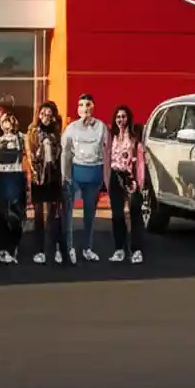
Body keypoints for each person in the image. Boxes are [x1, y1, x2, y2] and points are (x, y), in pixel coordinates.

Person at [61, 93, 109, 263]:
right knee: (68, 212)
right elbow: (65, 152)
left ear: (93, 107)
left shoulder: (101, 127)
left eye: (88, 104)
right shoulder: (71, 128)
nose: (85, 108)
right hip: (76, 172)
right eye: (81, 105)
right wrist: (65, 175)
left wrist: (106, 179)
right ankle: (69, 248)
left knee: (90, 214)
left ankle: (87, 248)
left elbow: (107, 153)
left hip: (94, 172)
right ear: (78, 108)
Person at [26, 101, 64, 265]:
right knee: (39, 216)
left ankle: (55, 250)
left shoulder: (57, 132)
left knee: (53, 216)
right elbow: (29, 154)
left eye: (49, 114)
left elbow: (61, 153)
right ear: (38, 115)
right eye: (43, 114)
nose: (46, 117)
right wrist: (33, 172)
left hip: (54, 177)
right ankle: (39, 251)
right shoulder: (32, 132)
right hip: (39, 177)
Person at [107, 105, 146, 264]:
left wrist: (139, 181)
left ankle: (136, 250)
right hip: (115, 176)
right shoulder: (112, 136)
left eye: (123, 117)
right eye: (118, 117)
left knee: (135, 213)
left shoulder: (134, 136)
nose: (120, 120)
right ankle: (119, 249)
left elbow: (141, 160)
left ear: (128, 118)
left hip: (131, 177)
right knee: (117, 215)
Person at [0, 111, 29, 264]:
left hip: (15, 175)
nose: (7, 131)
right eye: (4, 127)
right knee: (2, 214)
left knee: (15, 214)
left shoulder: (22, 138)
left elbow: (30, 156)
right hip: (1, 176)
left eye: (10, 128)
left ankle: (13, 246)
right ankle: (4, 247)